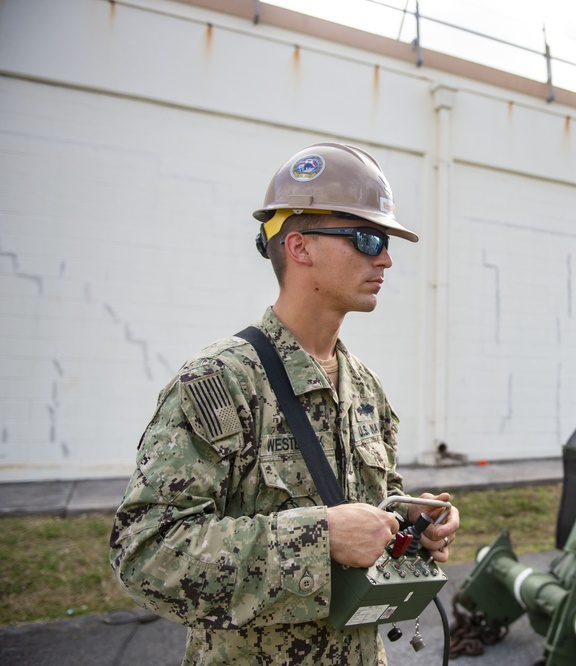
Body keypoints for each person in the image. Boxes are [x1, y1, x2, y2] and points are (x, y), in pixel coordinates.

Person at [110, 142, 460, 665]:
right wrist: (321, 539)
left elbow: (376, 504)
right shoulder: (221, 382)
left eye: (385, 242)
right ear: (299, 247)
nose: (385, 258)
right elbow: (146, 554)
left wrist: (409, 521)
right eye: (367, 238)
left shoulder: (365, 388)